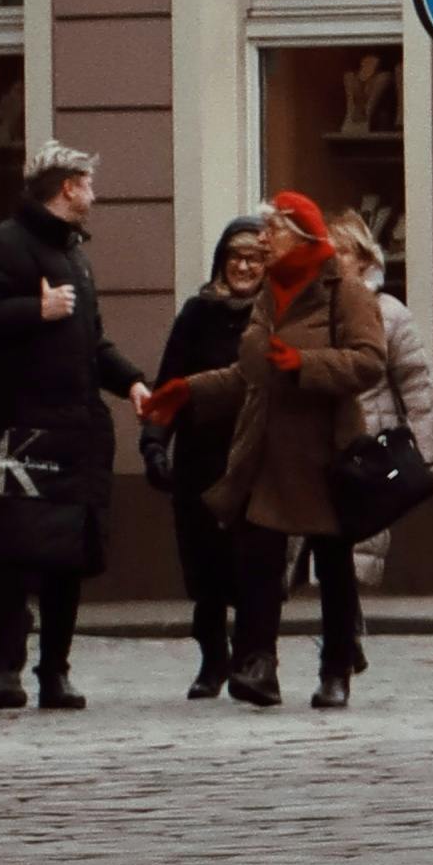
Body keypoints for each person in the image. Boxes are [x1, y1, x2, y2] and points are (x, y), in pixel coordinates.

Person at [0, 148, 144, 715]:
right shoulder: (1, 244)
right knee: (10, 556)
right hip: (15, 430)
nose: (95, 198)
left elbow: (90, 340)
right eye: (90, 186)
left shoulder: (74, 255)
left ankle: (56, 671)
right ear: (69, 187)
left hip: (73, 430)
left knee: (66, 560)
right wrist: (34, 308)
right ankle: (1, 672)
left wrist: (133, 384)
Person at [212, 192, 388, 709]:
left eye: (273, 230)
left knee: (332, 564)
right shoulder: (271, 291)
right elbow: (252, 352)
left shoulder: (346, 290)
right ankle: (259, 664)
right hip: (269, 442)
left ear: (302, 237)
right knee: (259, 558)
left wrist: (303, 364)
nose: (264, 240)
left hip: (327, 446)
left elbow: (369, 361)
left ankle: (336, 669)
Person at [146, 221, 268, 700]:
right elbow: (170, 383)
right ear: (221, 261)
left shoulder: (275, 315)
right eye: (234, 257)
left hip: (256, 456)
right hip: (200, 457)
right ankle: (213, 658)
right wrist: (155, 442)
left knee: (253, 562)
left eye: (253, 259)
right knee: (205, 566)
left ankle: (252, 657)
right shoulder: (197, 314)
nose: (243, 266)